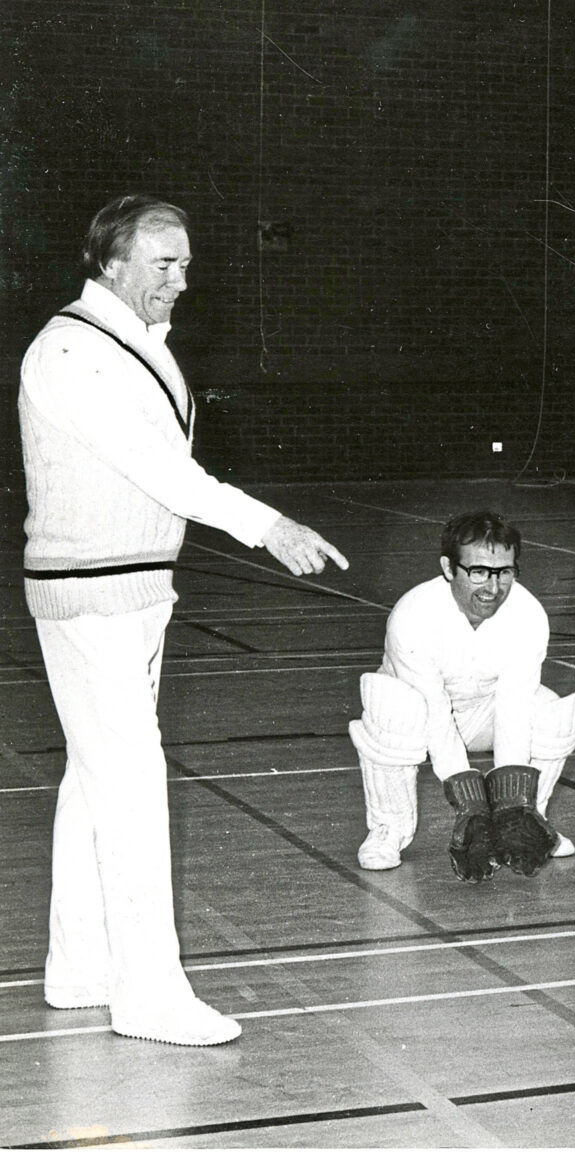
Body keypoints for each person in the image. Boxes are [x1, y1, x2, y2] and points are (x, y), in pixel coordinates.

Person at [19, 194, 348, 1047]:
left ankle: (81, 967)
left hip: (131, 588)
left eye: (187, 263)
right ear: (109, 261)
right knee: (127, 783)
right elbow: (163, 471)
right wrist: (267, 525)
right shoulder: (71, 351)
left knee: (95, 780)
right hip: (90, 592)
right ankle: (148, 996)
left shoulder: (132, 344)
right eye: (165, 263)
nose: (182, 279)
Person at [352, 511, 575, 881]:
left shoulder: (528, 615)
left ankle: (527, 823)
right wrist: (471, 804)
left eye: (504, 572)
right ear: (449, 568)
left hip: (484, 713)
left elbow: (513, 705)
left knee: (550, 714)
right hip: (422, 717)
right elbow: (434, 711)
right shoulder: (413, 615)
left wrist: (510, 806)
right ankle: (388, 829)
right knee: (395, 709)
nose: (492, 588)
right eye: (478, 571)